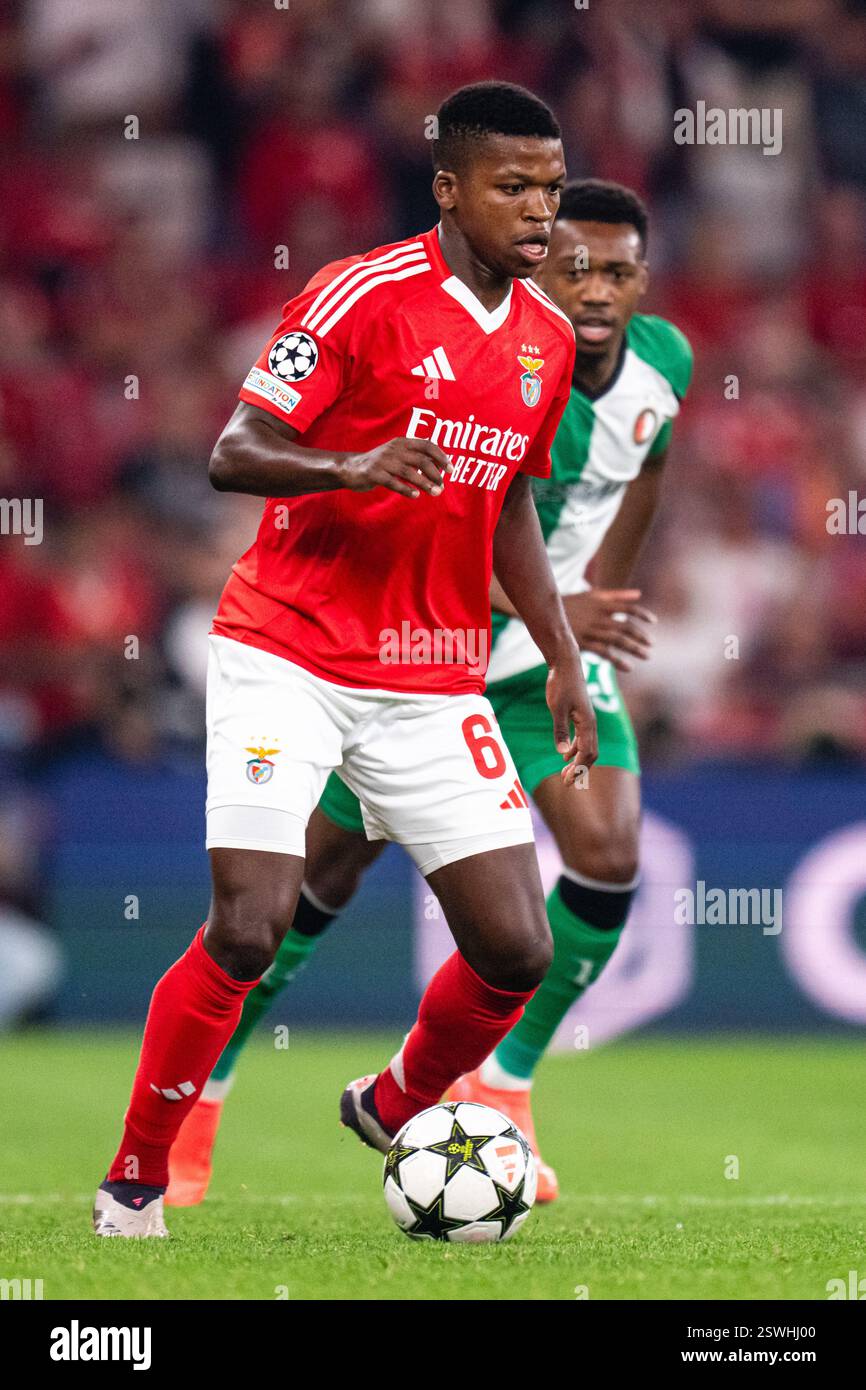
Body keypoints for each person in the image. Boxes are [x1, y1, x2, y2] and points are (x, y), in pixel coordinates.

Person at [93, 81, 598, 1238]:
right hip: (290, 647)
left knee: (516, 946)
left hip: (430, 672)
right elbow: (234, 451)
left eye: (550, 190)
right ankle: (133, 1181)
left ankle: (392, 1103)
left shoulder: (545, 338)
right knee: (249, 923)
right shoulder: (362, 294)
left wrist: (559, 650)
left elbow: (507, 501)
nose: (535, 211)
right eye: (511, 186)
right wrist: (353, 465)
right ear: (448, 188)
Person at [166, 180, 694, 1210]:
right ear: (535, 265)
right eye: (572, 265)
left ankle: (504, 1079)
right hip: (419, 647)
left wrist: (595, 605)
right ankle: (207, 1088)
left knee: (607, 854)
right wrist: (556, 610)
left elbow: (649, 463)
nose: (592, 290)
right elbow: (453, 520)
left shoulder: (664, 364)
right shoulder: (487, 358)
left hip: (543, 650)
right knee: (307, 889)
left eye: (616, 271)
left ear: (642, 280)